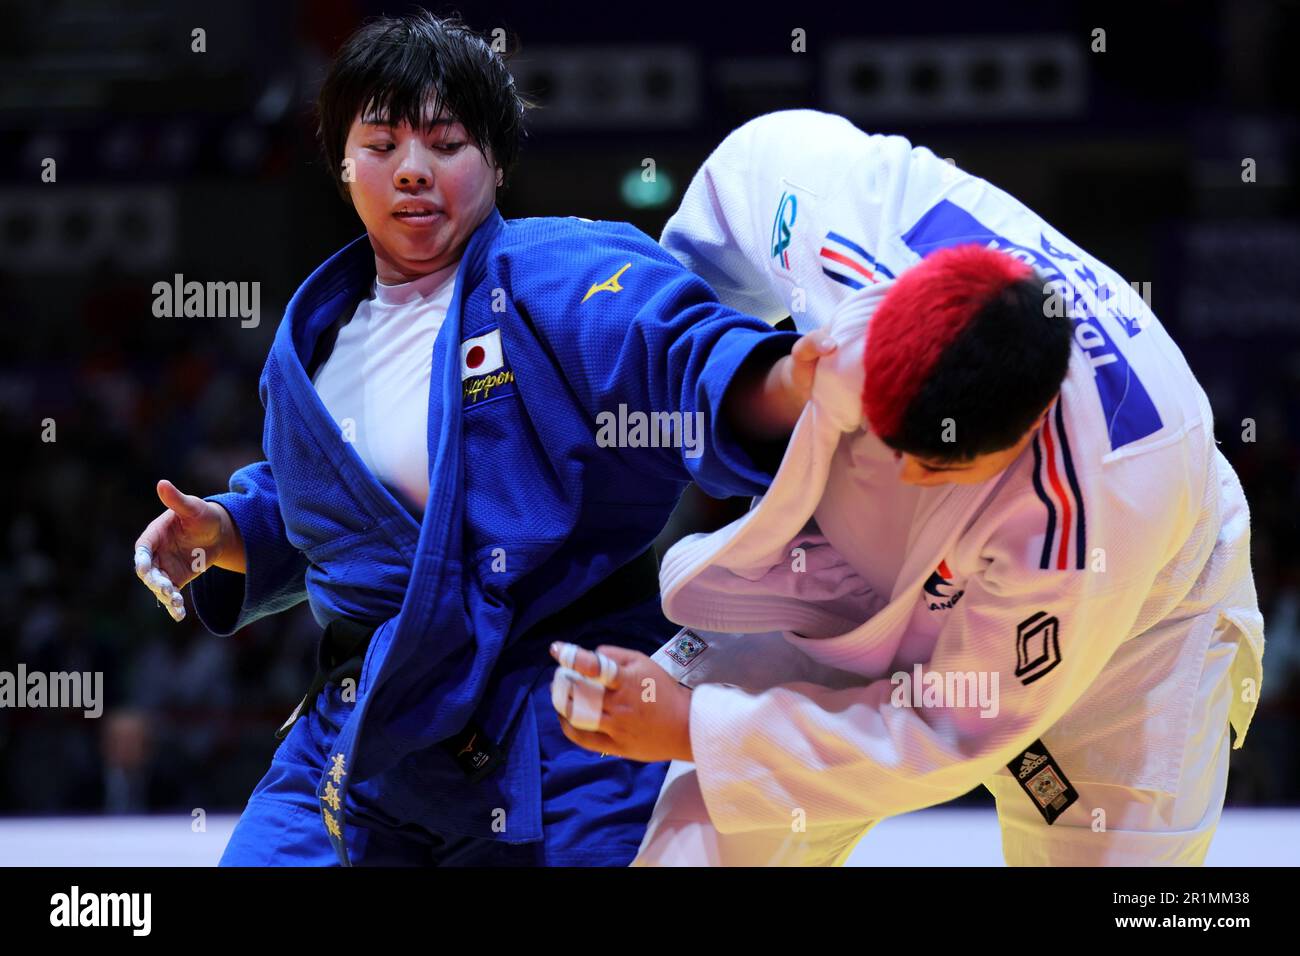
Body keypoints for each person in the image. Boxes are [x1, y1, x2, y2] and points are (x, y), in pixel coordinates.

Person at [132, 17, 826, 866]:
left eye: (448, 141)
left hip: (561, 715)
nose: (414, 168)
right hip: (364, 723)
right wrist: (226, 533)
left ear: (495, 162)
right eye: (381, 142)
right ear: (343, 164)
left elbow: (673, 346)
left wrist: (789, 382)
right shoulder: (312, 342)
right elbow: (340, 517)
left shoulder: (559, 273)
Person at [549, 109, 1266, 867]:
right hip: (847, 583)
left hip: (1130, 635)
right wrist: (703, 393)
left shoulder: (1098, 505)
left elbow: (949, 727)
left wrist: (695, 725)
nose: (907, 471)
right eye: (888, 439)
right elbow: (740, 181)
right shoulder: (845, 212)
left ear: (1024, 432)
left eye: (935, 463)